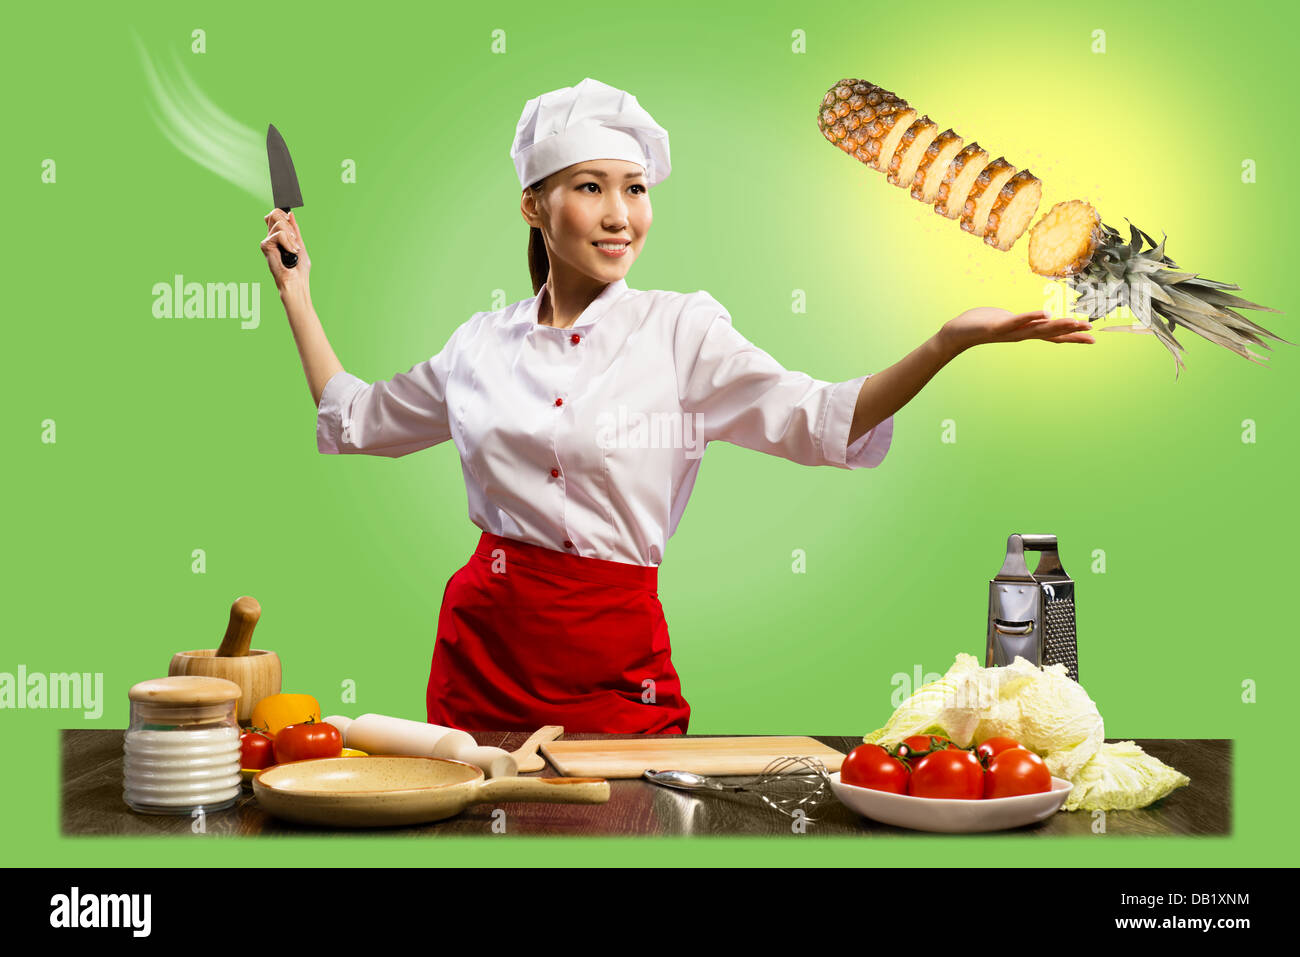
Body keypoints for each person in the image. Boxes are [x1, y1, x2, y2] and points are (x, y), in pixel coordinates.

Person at [260, 78, 1094, 736]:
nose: (622, 216)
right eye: (591, 187)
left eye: (636, 189)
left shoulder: (681, 330)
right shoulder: (477, 344)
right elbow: (358, 417)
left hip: (618, 659)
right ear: (533, 206)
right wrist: (298, 293)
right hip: (482, 655)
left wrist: (945, 343)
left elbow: (820, 417)